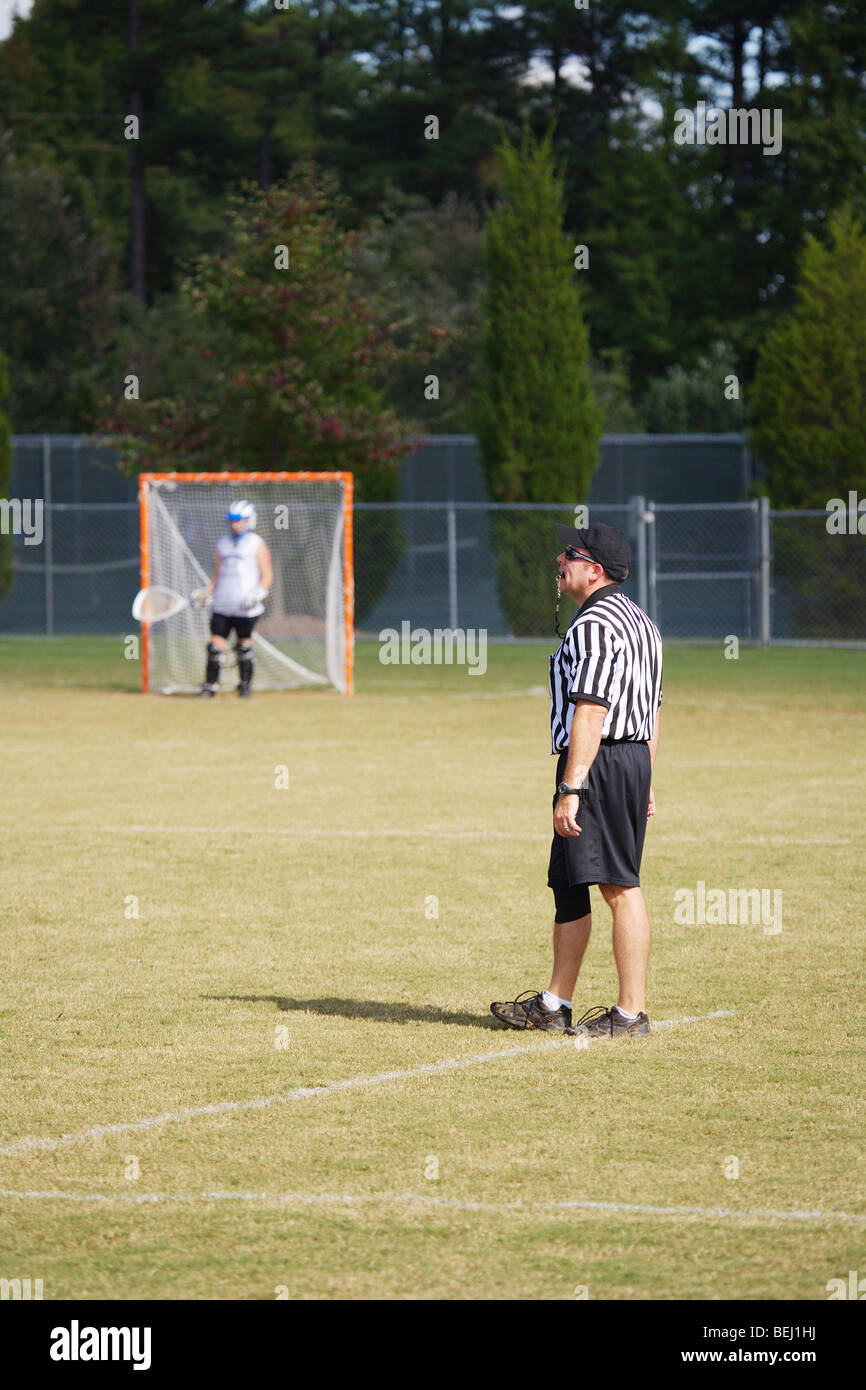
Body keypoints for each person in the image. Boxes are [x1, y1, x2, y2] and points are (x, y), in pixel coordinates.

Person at [491, 522, 663, 1040]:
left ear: (595, 569)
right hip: (623, 760)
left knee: (619, 887)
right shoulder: (643, 622)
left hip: (599, 762)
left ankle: (630, 1015)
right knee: (569, 885)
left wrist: (572, 786)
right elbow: (651, 712)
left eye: (570, 553)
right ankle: (554, 1003)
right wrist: (646, 778)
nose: (558, 560)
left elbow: (591, 709)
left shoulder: (594, 625)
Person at [198, 500, 273, 699]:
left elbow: (267, 574)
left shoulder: (256, 544)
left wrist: (259, 593)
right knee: (215, 646)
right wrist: (203, 594)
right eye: (232, 521)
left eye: (239, 521)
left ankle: (245, 686)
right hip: (223, 604)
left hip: (246, 607)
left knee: (244, 646)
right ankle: (210, 686)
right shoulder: (222, 543)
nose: (235, 525)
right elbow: (216, 576)